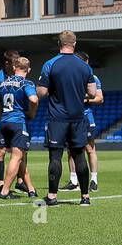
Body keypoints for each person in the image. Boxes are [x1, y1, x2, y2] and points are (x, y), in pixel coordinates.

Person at [36, 30, 99, 207]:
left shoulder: (50, 64)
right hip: (78, 117)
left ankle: (52, 196)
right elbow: (93, 93)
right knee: (79, 155)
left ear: (59, 44)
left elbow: (41, 92)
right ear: (75, 43)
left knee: (55, 156)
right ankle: (85, 196)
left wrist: (49, 89)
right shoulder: (85, 66)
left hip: (57, 117)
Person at [0, 56, 39, 199]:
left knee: (21, 157)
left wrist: (2, 117)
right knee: (17, 157)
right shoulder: (26, 83)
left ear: (14, 68)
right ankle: (5, 191)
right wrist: (32, 113)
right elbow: (34, 99)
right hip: (18, 122)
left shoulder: (2, 84)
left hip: (5, 122)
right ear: (29, 70)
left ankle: (31, 189)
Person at [64, 51, 103, 192]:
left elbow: (99, 98)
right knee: (70, 150)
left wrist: (83, 99)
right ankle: (73, 181)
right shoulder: (71, 77)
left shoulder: (93, 78)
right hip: (71, 117)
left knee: (89, 149)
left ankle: (94, 180)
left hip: (86, 117)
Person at [0, 49, 22, 192]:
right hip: (1, 119)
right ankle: (0, 184)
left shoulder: (18, 75)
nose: (16, 66)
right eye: (14, 63)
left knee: (19, 151)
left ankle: (20, 181)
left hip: (16, 119)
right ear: (7, 63)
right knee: (1, 151)